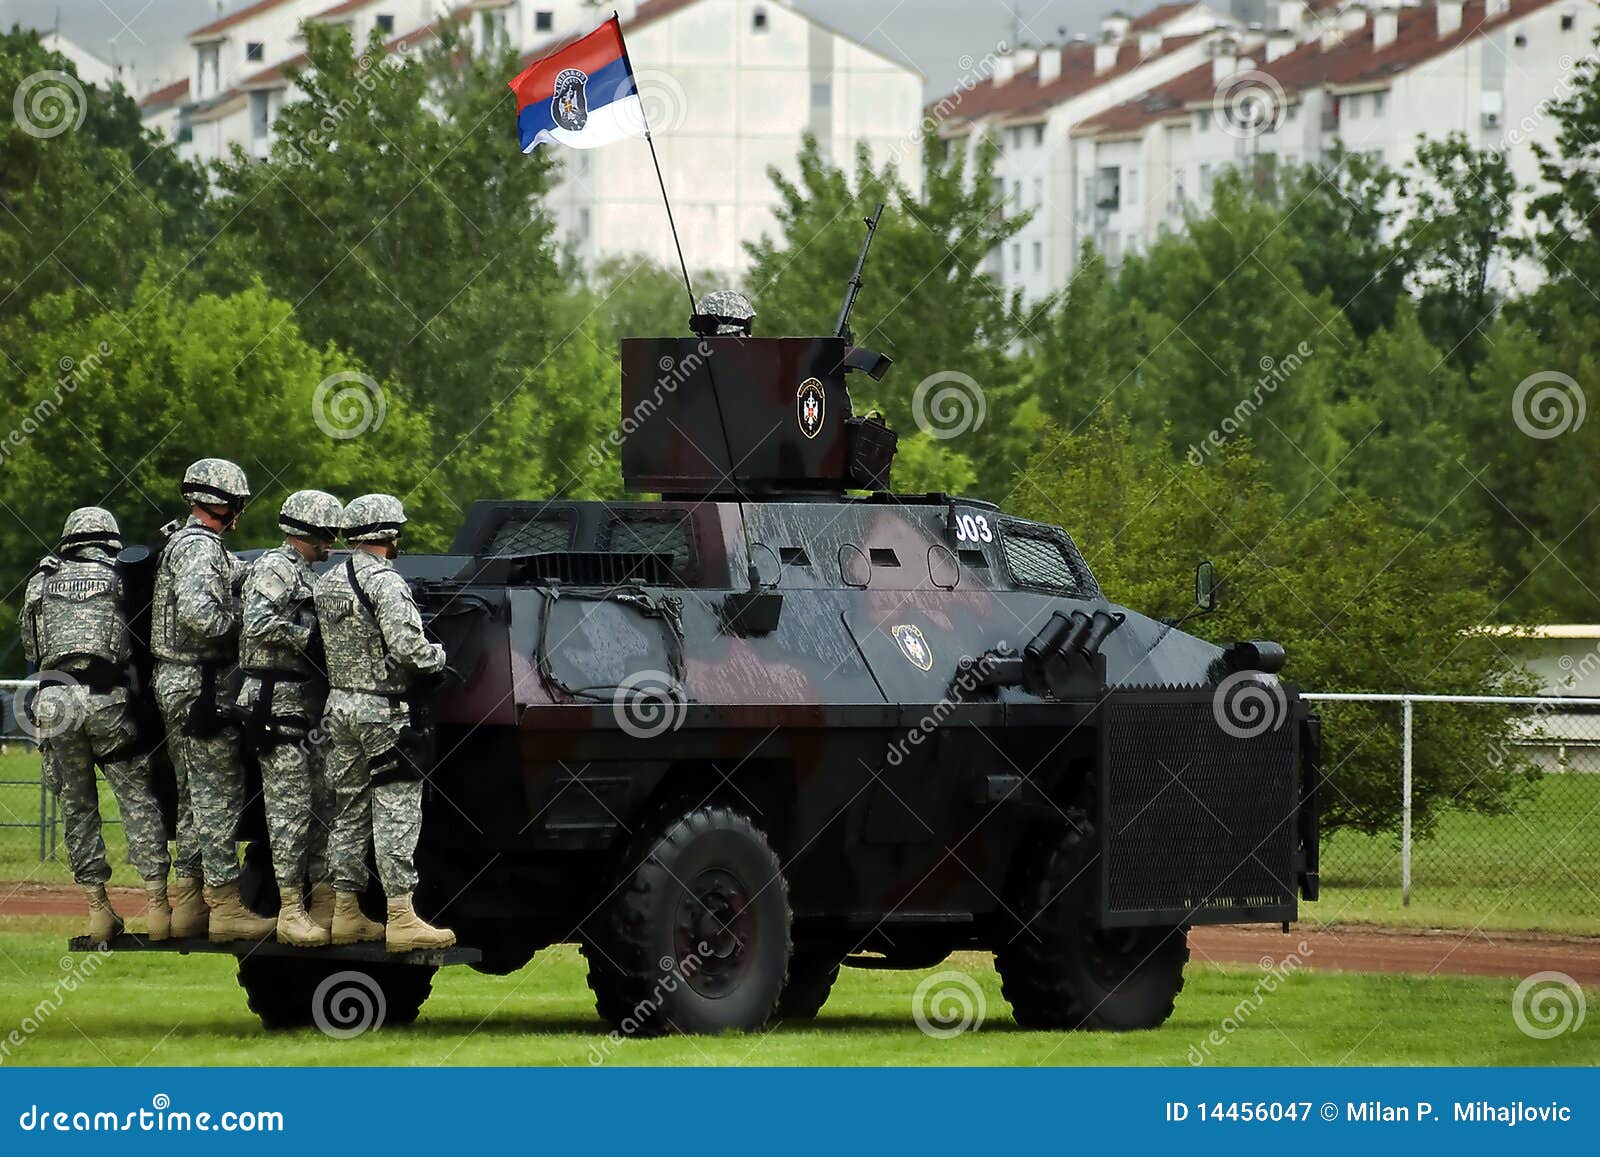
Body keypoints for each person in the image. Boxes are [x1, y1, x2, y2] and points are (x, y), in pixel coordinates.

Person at [19, 508, 171, 945]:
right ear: (110, 541)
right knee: (136, 797)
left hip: (54, 702)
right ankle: (159, 906)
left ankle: (98, 911)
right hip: (107, 697)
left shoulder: (41, 580)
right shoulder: (121, 577)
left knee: (77, 806)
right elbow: (144, 638)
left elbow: (32, 644)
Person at [315, 493, 454, 952]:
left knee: (348, 809)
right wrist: (440, 656)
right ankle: (400, 916)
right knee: (395, 806)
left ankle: (346, 912)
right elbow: (410, 649)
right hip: (381, 709)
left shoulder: (328, 580)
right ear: (388, 534)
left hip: (339, 707)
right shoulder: (386, 583)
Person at [150, 458, 274, 941]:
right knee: (217, 795)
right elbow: (204, 618)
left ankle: (188, 904)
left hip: (182, 682)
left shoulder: (193, 545)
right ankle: (225, 908)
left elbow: (234, 574)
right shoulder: (199, 549)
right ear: (228, 505)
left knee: (193, 796)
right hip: (199, 685)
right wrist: (252, 625)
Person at [238, 490, 343, 947]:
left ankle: (322, 905)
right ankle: (289, 910)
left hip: (303, 706)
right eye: (327, 535)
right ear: (310, 532)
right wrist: (311, 637)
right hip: (274, 703)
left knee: (321, 805)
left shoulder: (304, 572)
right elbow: (257, 623)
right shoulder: (275, 567)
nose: (332, 545)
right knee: (288, 811)